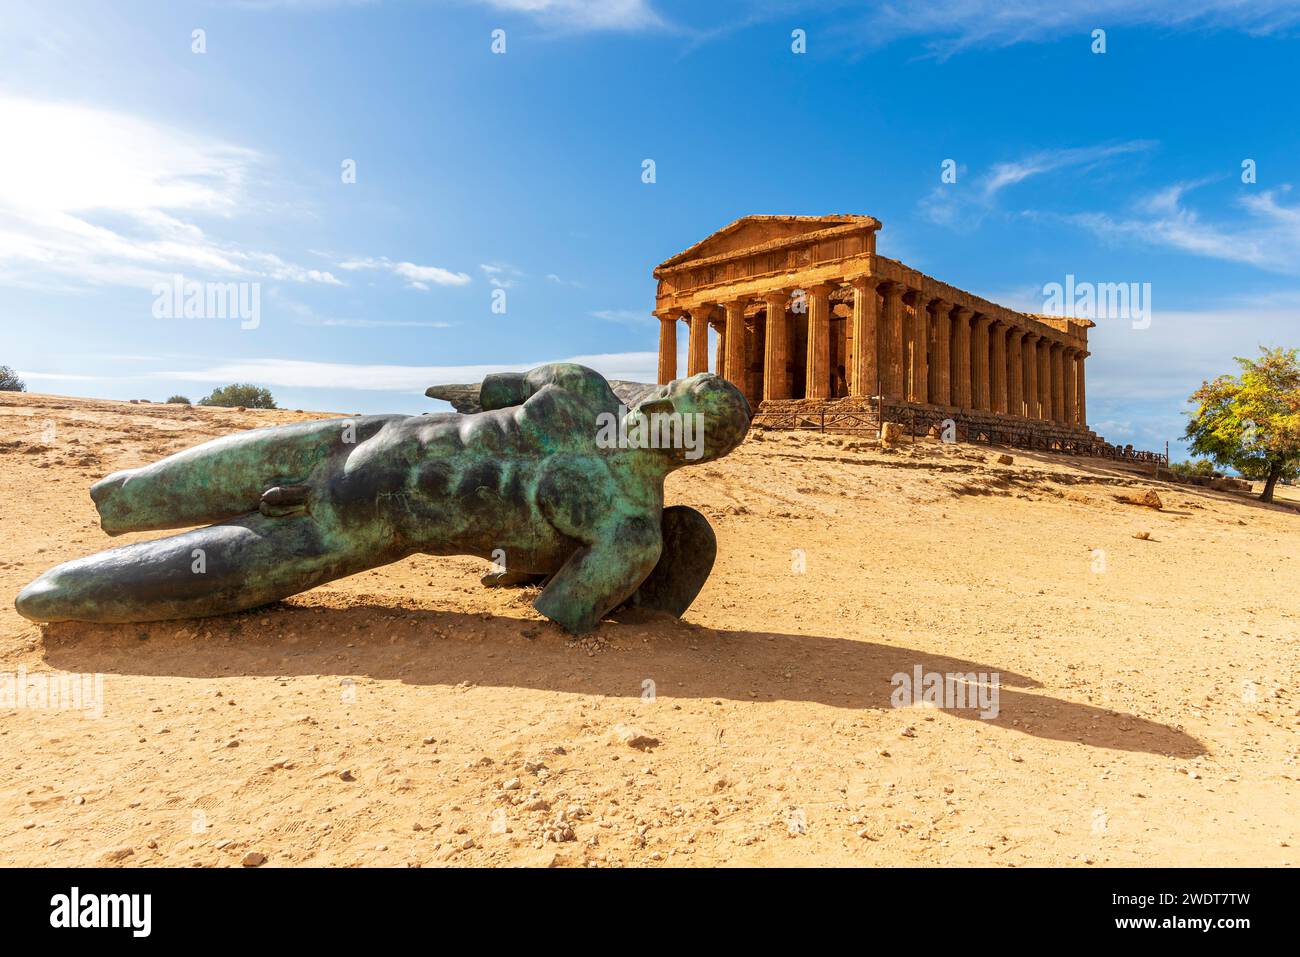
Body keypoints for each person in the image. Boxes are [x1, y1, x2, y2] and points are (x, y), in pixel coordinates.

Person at [16, 364, 751, 634]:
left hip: (377, 462)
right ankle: (63, 586)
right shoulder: (629, 529)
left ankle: (63, 588)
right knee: (139, 523)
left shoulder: (584, 397)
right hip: (376, 477)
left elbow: (475, 393)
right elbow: (564, 608)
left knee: (124, 553)